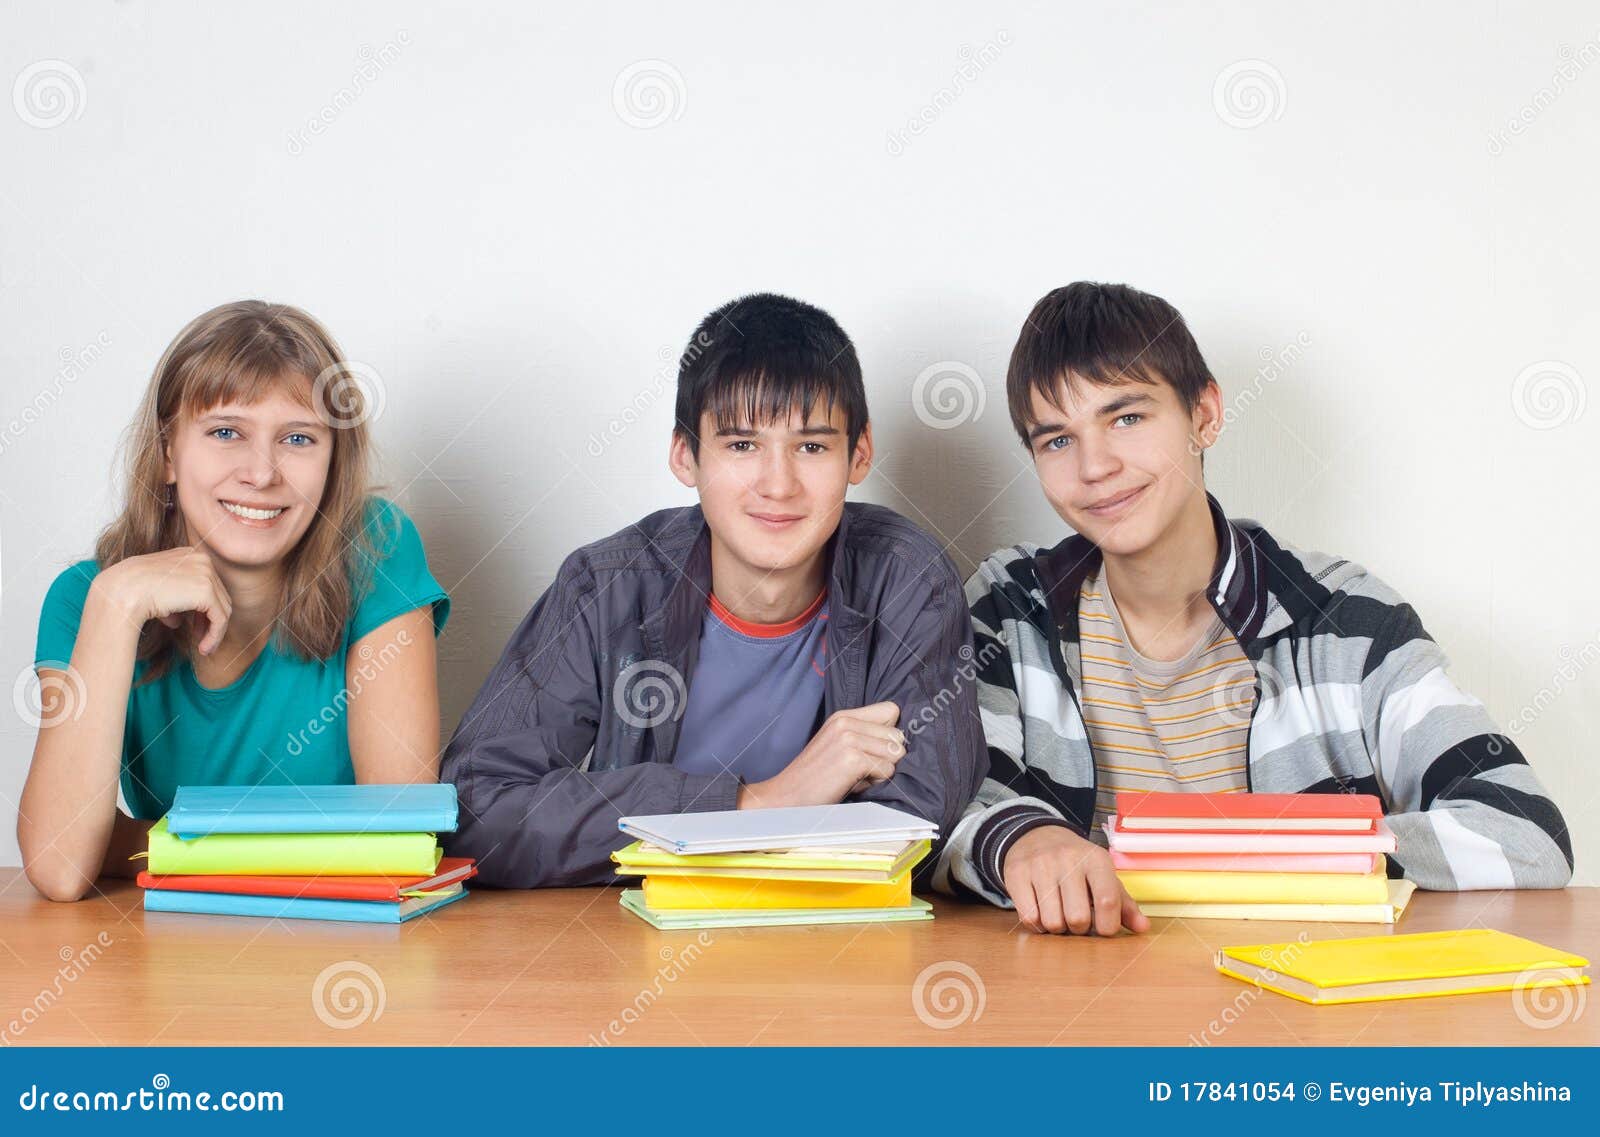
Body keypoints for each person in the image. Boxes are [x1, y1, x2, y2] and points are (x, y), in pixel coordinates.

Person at [934, 281, 1572, 935]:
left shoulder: (1344, 618)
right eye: (1057, 441)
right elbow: (933, 808)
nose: (1095, 465)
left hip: (1298, 1011)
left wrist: (1292, 855)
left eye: (1127, 417)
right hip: (1083, 1008)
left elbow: (1521, 827)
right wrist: (1019, 841)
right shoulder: (1012, 607)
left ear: (1204, 413)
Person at [442, 292, 985, 887]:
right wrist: (758, 804)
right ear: (685, 456)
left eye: (811, 446)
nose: (778, 486)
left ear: (859, 453)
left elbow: (917, 829)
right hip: (636, 947)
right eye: (742, 445)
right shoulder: (608, 586)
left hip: (831, 951)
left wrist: (691, 837)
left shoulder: (906, 579)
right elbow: (476, 805)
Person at [20, 300, 449, 901]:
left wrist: (157, 844)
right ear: (168, 453)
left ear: (332, 462)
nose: (261, 473)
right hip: (172, 942)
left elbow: (396, 835)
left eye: (298, 438)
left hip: (343, 932)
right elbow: (63, 867)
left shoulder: (377, 551)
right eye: (225, 432)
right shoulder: (87, 599)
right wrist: (117, 604)